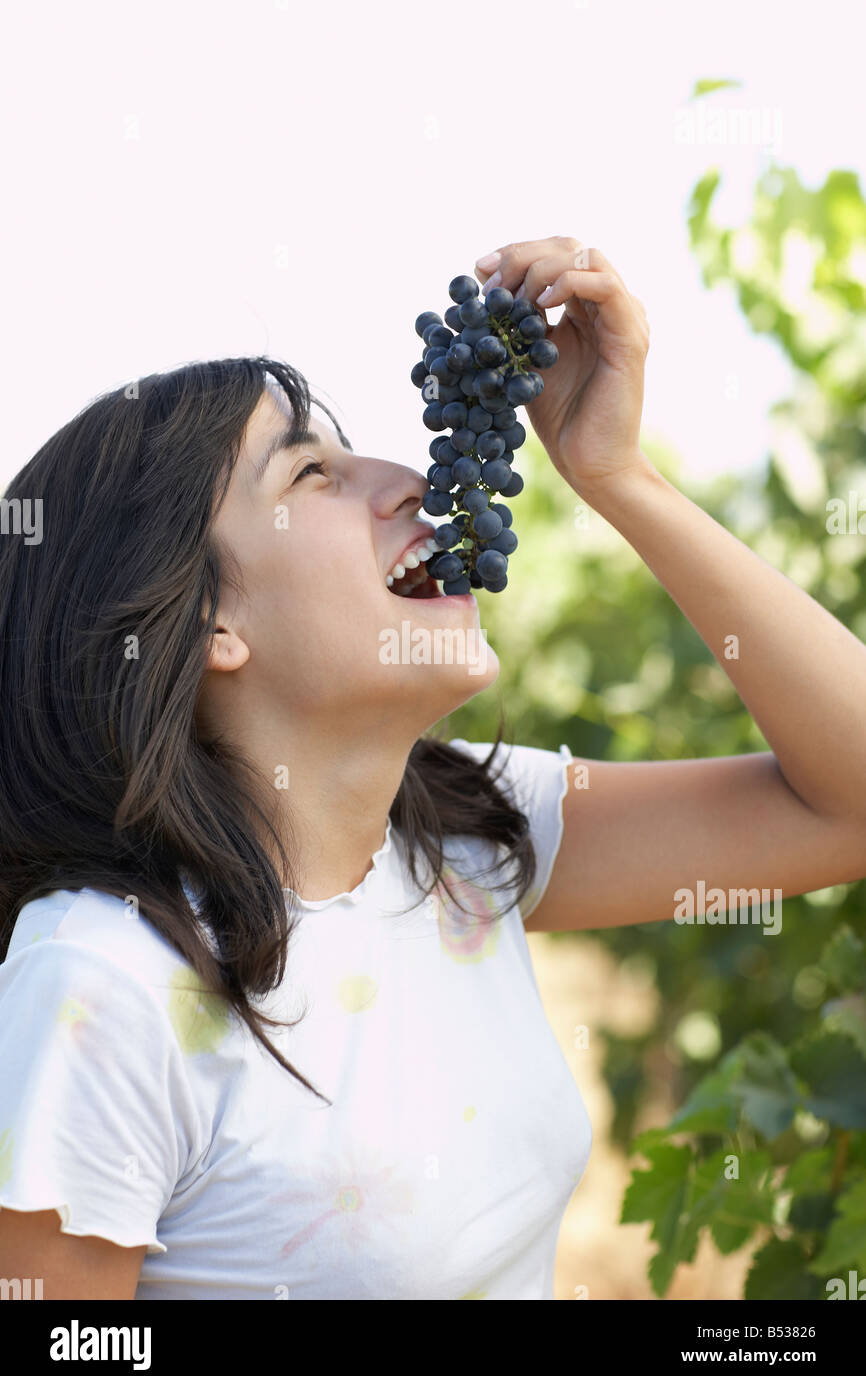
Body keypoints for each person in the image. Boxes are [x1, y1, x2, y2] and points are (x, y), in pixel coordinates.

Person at [1, 235, 865, 1300]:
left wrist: (615, 476)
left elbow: (849, 801)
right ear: (204, 617)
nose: (413, 481)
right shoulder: (106, 978)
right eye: (311, 472)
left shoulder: (459, 827)